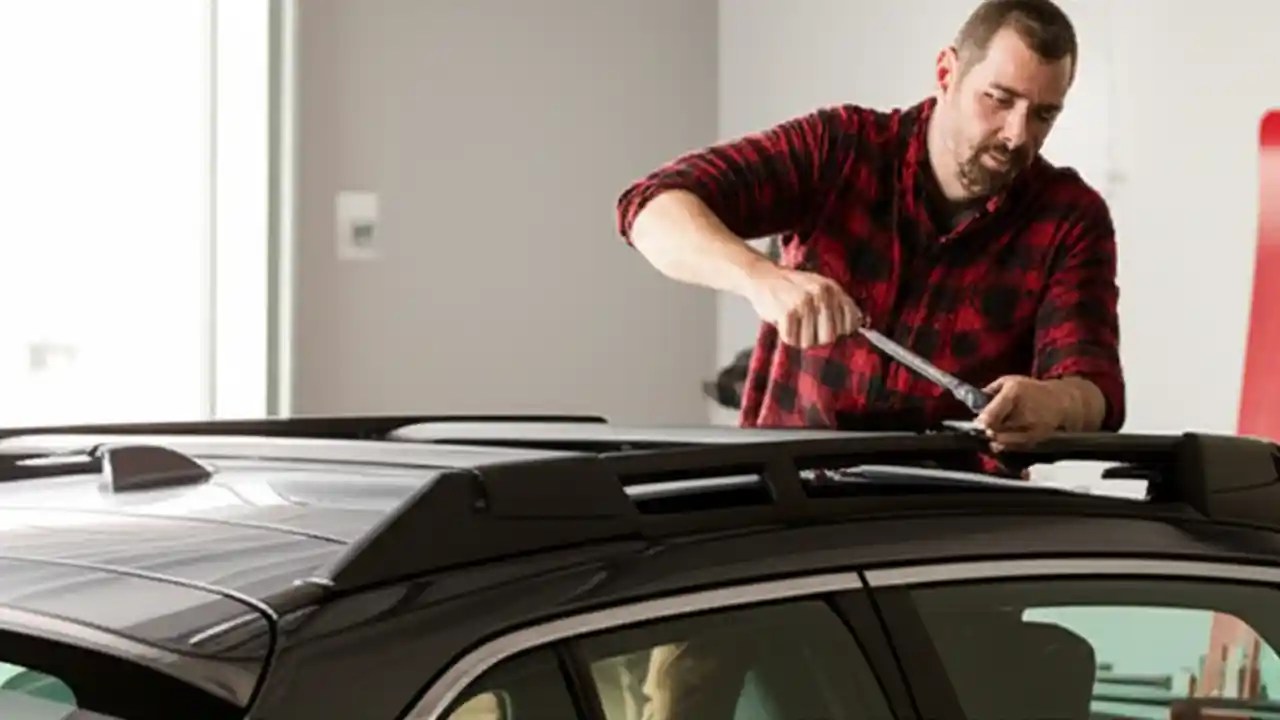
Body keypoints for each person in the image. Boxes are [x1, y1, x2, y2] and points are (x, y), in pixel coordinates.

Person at [615, 0, 1125, 454]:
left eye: (1043, 114)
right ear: (946, 73)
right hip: (789, 497)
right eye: (999, 99)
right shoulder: (840, 148)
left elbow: (1096, 391)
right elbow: (650, 208)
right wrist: (761, 278)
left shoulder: (1070, 218)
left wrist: (1054, 403)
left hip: (950, 517)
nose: (1017, 134)